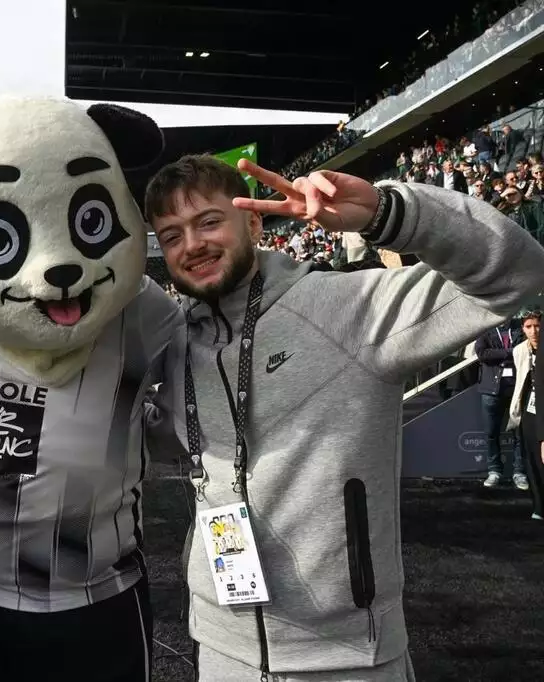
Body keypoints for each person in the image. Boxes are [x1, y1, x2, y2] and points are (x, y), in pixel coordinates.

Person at [144, 154, 544, 680]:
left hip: (348, 656)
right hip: (220, 648)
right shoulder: (178, 344)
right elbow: (165, 436)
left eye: (209, 222)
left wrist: (388, 213)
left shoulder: (345, 307)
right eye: (172, 235)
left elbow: (518, 276)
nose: (191, 245)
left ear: (256, 222)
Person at [475, 319, 526, 489]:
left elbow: (525, 351)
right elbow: (482, 354)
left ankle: (519, 472)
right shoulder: (486, 328)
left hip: (517, 389)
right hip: (491, 390)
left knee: (520, 433)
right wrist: (510, 352)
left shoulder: (520, 328)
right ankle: (494, 471)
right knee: (491, 432)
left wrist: (498, 353)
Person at [508, 311, 543, 519]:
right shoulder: (519, 351)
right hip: (529, 407)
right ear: (522, 329)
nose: (534, 331)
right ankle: (538, 505)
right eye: (529, 326)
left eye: (537, 325)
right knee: (531, 457)